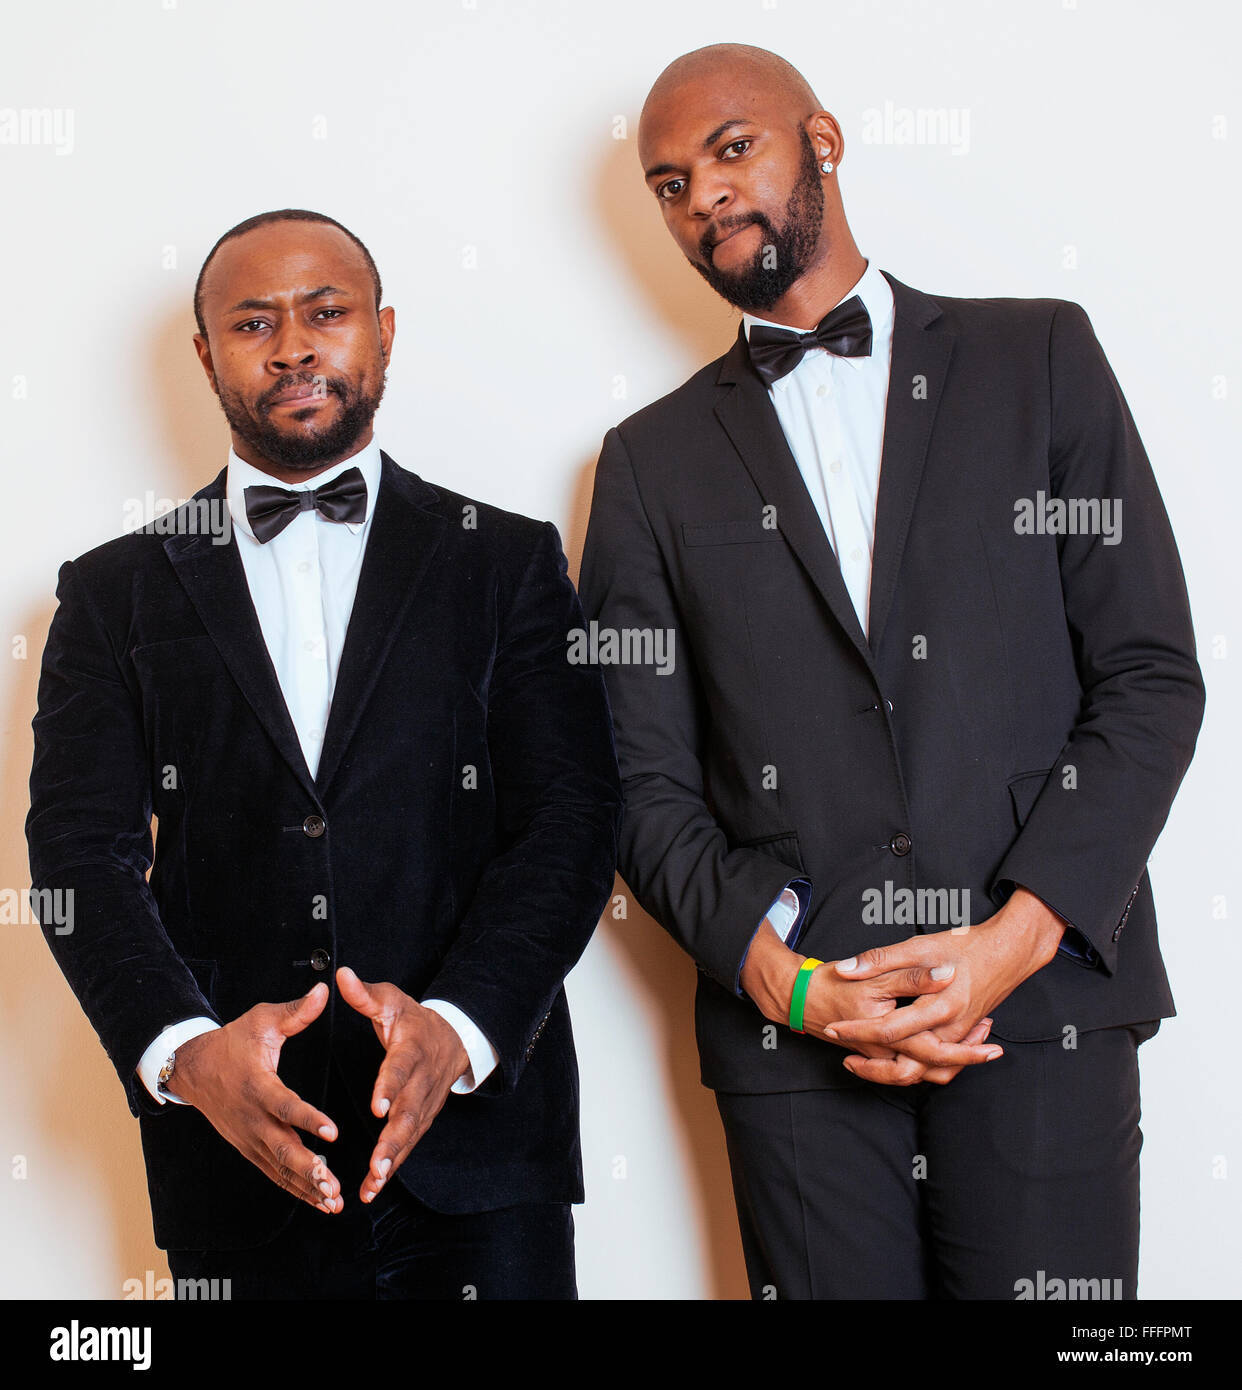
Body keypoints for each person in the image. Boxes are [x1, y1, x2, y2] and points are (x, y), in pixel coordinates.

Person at [578, 44, 1204, 1300]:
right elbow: (637, 780)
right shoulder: (646, 462)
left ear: (824, 139)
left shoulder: (1041, 356)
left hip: (1047, 1007)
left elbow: (1149, 674)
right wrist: (790, 983)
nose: (704, 195)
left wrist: (1012, 941)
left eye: (733, 149)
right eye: (669, 183)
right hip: (797, 1052)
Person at [26, 208, 621, 1300]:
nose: (293, 346)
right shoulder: (111, 591)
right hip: (237, 1155)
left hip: (482, 1158)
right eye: (253, 323)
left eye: (326, 312)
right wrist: (185, 1051)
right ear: (206, 355)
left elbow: (571, 820)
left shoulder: (507, 562)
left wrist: (460, 1027)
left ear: (383, 332)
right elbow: (77, 852)